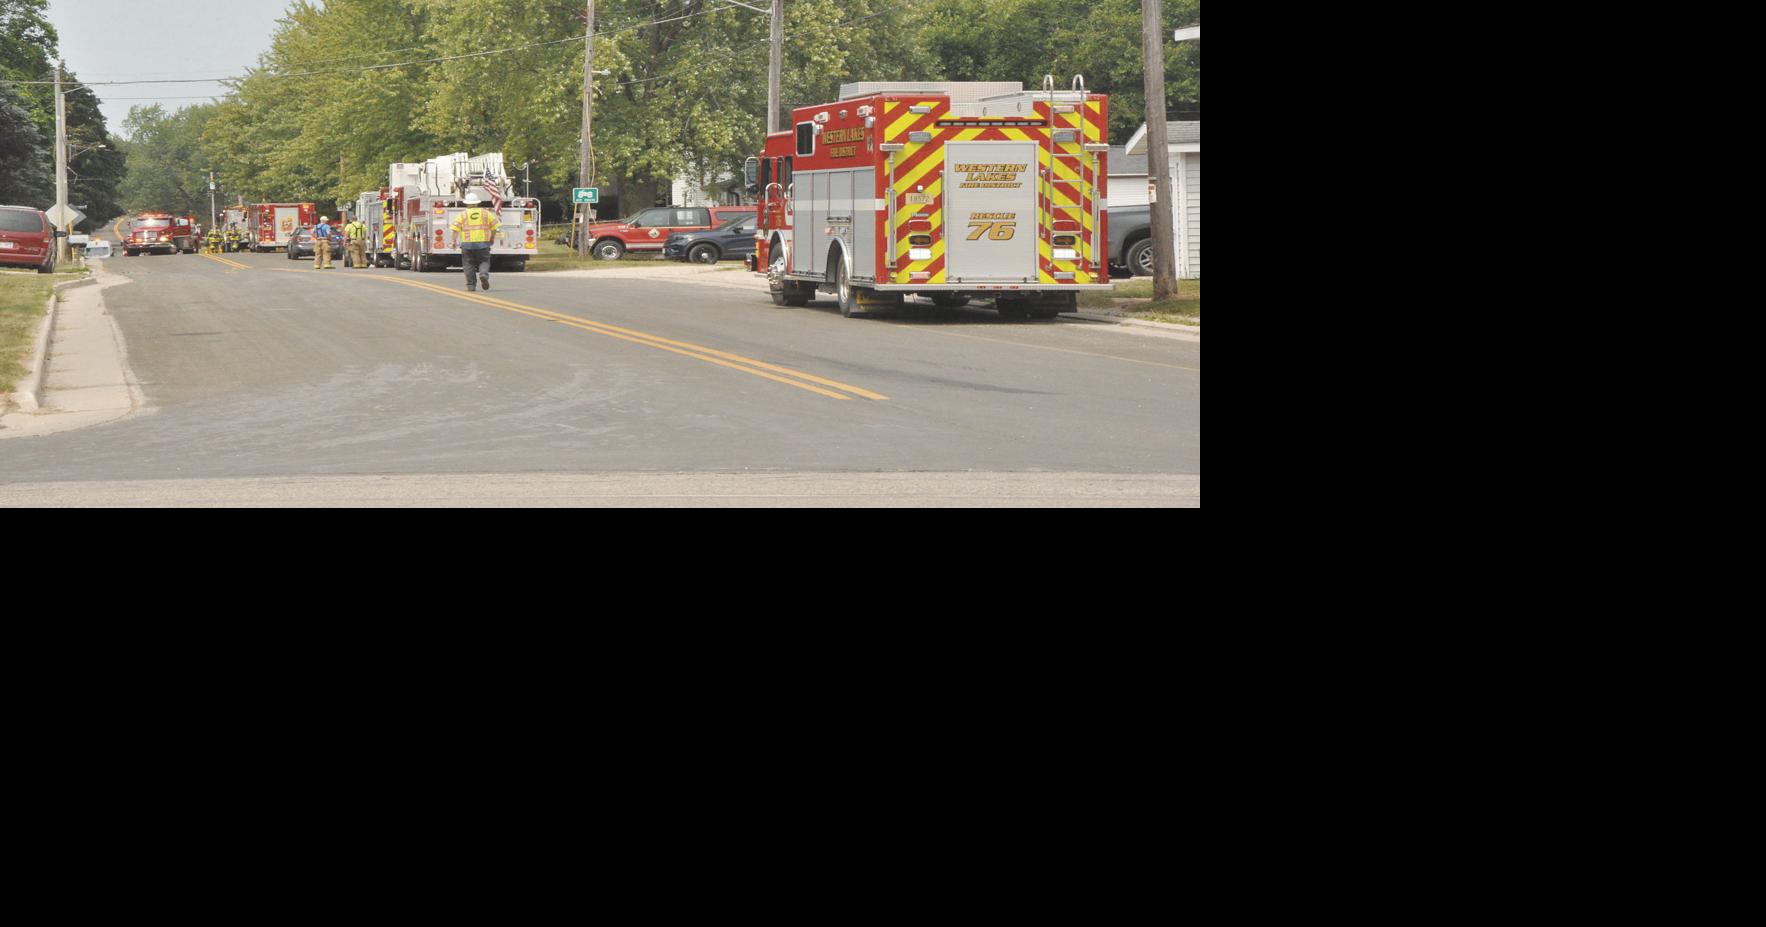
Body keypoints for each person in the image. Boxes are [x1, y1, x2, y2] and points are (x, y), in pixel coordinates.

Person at [450, 192, 502, 291]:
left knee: (468, 264)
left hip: (467, 244)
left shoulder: (462, 215)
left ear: (467, 203)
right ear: (477, 203)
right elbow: (495, 227)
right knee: (484, 261)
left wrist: (453, 241)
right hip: (483, 243)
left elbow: (455, 230)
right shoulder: (486, 213)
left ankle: (471, 285)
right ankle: (483, 274)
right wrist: (491, 238)